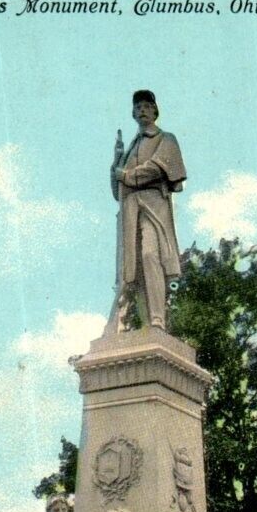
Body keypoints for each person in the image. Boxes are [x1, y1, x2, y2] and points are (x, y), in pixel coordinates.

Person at [112, 89, 187, 331]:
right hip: (131, 210)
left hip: (154, 205)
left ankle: (157, 318)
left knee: (150, 255)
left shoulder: (166, 139)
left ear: (155, 111)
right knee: (132, 268)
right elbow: (117, 192)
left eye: (146, 106)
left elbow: (157, 168)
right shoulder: (131, 148)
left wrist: (126, 175)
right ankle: (138, 321)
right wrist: (117, 161)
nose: (142, 110)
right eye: (137, 107)